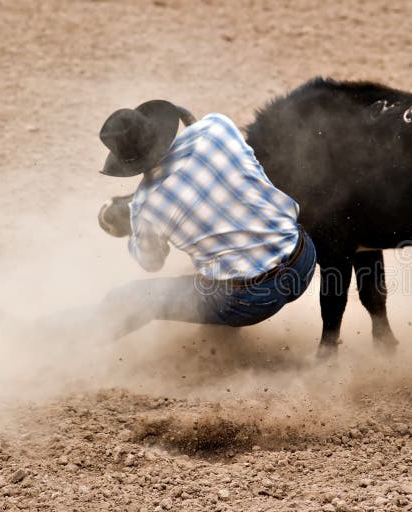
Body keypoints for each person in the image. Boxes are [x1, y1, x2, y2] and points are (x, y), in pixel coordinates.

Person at [52, 100, 316, 344]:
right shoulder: (217, 126)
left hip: (250, 302)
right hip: (303, 258)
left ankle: (69, 344)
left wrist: (137, 231)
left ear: (124, 161)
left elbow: (151, 262)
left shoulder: (146, 205)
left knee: (131, 298)